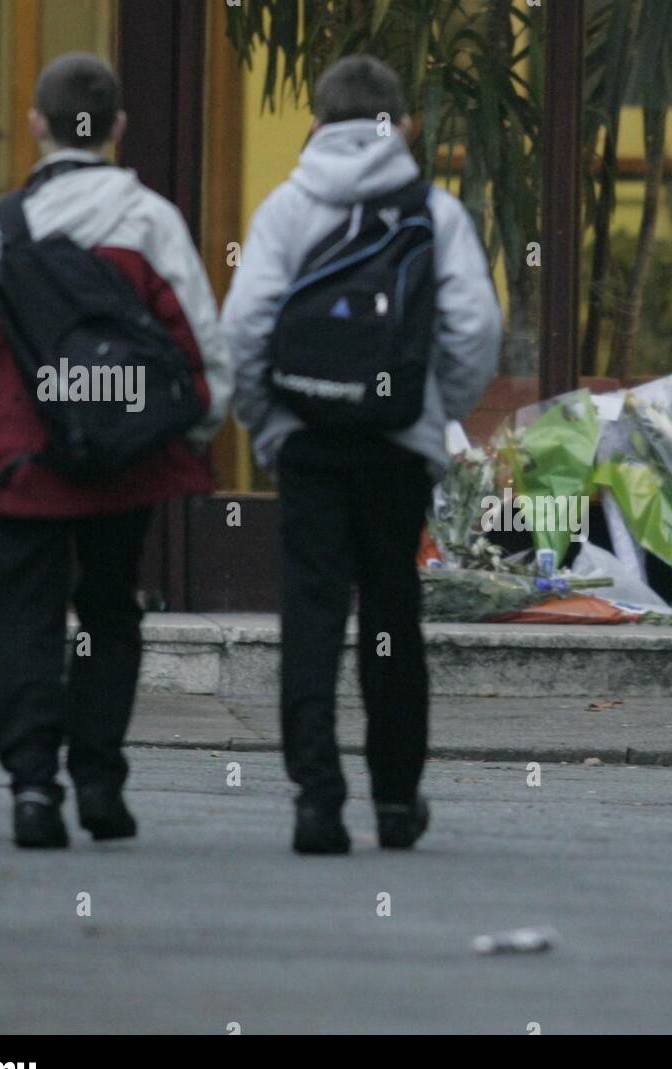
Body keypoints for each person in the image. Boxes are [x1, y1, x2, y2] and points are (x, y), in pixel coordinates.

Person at [0, 53, 231, 848]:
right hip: (121, 460)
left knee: (22, 614)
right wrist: (191, 432)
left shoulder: (2, 225)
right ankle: (98, 778)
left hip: (21, 461)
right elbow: (201, 344)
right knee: (108, 606)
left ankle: (33, 789)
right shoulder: (151, 221)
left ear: (36, 124)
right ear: (118, 127)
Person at [223, 56, 502, 855]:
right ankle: (394, 801)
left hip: (308, 439)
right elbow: (475, 330)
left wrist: (269, 425)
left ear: (316, 123)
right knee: (392, 614)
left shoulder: (286, 209)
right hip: (394, 444)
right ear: (404, 125)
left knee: (311, 614)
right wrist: (431, 409)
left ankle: (316, 800)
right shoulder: (433, 211)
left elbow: (245, 330)